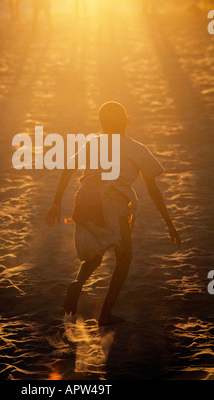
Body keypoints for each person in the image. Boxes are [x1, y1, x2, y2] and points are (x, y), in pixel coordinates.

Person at [45, 101, 181, 326]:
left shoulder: (92, 143)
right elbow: (153, 190)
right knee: (124, 257)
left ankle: (79, 282)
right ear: (127, 121)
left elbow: (68, 168)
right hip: (112, 202)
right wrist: (169, 223)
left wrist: (57, 203)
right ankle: (105, 314)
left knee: (96, 251)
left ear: (101, 124)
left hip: (85, 200)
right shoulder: (137, 148)